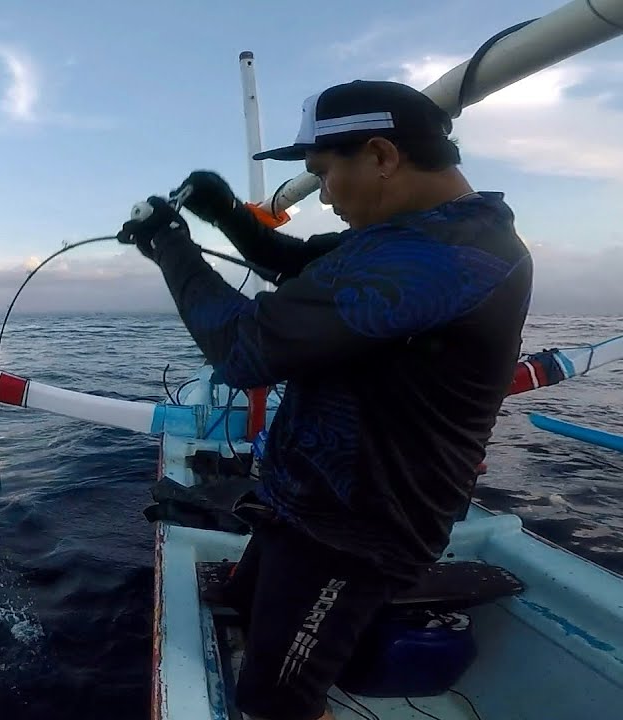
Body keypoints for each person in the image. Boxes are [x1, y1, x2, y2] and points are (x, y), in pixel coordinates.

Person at [118, 80, 533, 720]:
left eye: (324, 174)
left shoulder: (443, 258)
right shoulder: (420, 233)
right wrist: (223, 210)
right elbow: (293, 261)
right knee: (247, 610)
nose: (326, 196)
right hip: (306, 501)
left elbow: (244, 351)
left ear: (381, 155)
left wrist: (169, 243)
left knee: (276, 701)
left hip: (358, 532)